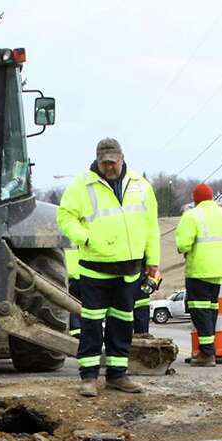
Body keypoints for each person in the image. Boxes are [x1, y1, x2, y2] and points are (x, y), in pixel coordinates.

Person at [56, 137, 160, 397]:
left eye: (113, 162)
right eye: (104, 163)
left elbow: (151, 228)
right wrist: (86, 238)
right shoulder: (82, 185)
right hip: (95, 268)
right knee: (92, 323)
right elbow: (65, 216)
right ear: (98, 160)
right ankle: (88, 377)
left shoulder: (140, 186)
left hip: (129, 270)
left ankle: (117, 375)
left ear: (122, 158)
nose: (109, 167)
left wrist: (153, 262)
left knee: (122, 323)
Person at [174, 183, 222, 366]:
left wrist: (184, 249)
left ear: (195, 199)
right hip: (220, 270)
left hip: (199, 269)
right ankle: (208, 350)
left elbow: (183, 244)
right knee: (210, 309)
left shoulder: (192, 215)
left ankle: (207, 354)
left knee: (199, 310)